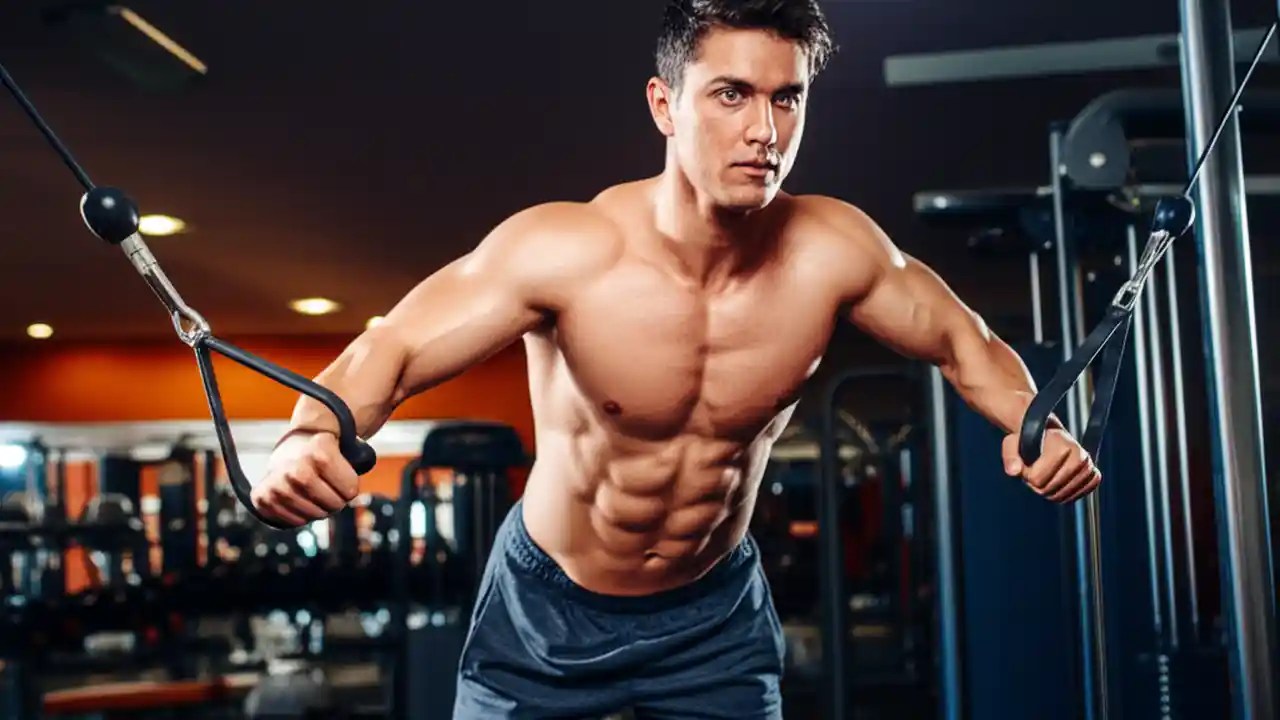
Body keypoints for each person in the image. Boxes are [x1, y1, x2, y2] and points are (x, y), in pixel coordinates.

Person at [251, 0, 1100, 716]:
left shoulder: (833, 252)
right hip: (547, 607)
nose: (764, 131)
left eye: (788, 99)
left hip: (713, 616)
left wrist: (1039, 426)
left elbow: (965, 342)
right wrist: (304, 438)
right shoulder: (568, 250)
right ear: (664, 104)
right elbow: (393, 350)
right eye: (732, 95)